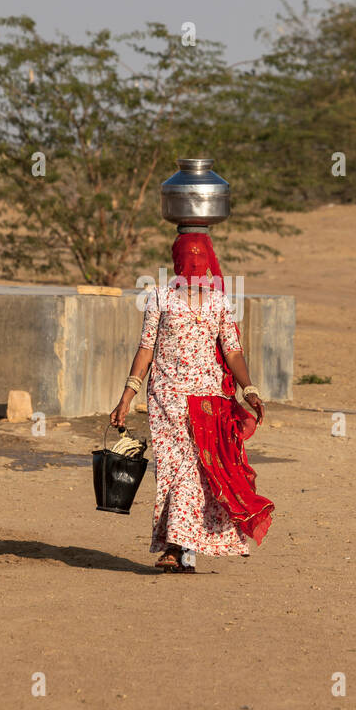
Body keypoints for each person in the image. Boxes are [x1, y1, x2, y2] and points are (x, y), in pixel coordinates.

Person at [110, 232, 274, 571]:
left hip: (207, 400)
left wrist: (249, 389)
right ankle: (183, 549)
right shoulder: (159, 298)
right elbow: (146, 349)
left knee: (192, 471)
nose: (196, 265)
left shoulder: (218, 303)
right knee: (170, 471)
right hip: (166, 399)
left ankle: (177, 548)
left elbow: (232, 351)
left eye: (200, 260)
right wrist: (127, 396)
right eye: (190, 260)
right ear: (177, 264)